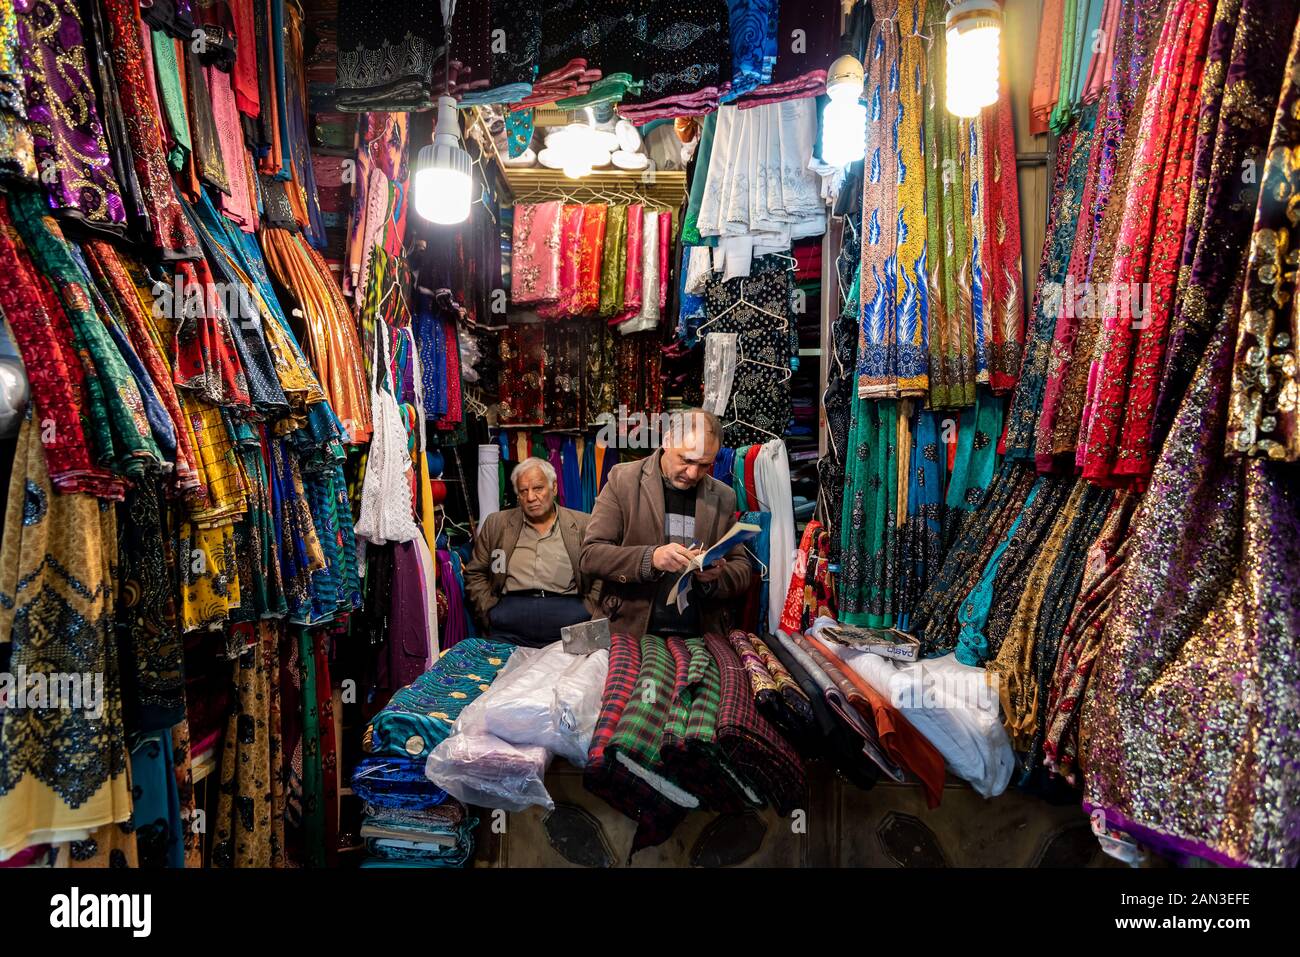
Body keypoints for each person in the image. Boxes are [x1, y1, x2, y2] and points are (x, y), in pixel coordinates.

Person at [580, 408, 751, 638]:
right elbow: (590, 556)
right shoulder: (623, 481)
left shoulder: (723, 496)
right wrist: (651, 559)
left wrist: (714, 577)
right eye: (687, 460)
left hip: (698, 635)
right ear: (667, 441)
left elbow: (741, 569)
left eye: (704, 465)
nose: (692, 473)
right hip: (628, 631)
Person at [463, 457, 599, 647]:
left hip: (571, 616)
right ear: (517, 495)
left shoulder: (584, 524)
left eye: (538, 488)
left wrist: (589, 609)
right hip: (509, 618)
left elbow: (603, 573)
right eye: (523, 491)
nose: (530, 497)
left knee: (578, 673)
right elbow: (475, 572)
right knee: (500, 674)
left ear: (554, 488)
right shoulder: (497, 524)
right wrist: (488, 610)